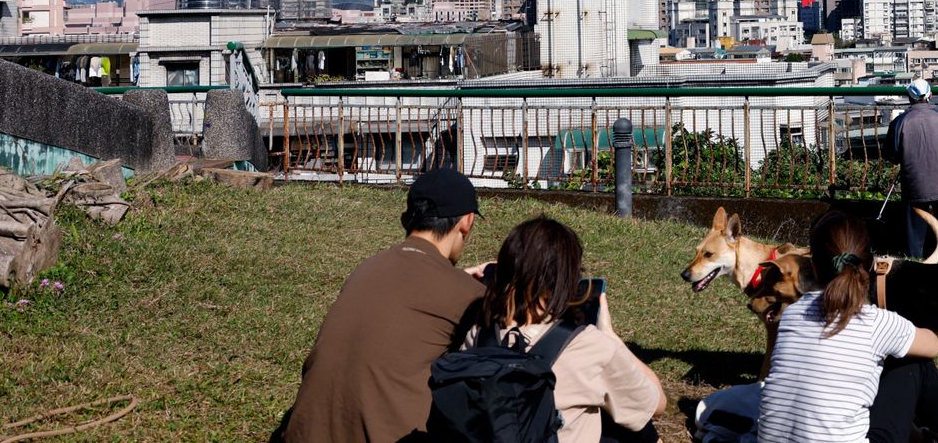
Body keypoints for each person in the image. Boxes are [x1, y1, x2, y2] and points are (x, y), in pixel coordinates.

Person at [280, 168, 491, 443]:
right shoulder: (467, 294)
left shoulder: (368, 268)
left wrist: (459, 277)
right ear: (467, 221)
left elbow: (415, 290)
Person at [758, 210, 938, 443]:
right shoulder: (877, 323)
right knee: (915, 360)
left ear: (814, 267)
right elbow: (935, 346)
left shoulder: (792, 315)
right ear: (870, 265)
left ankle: (921, 438)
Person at [459, 215, 666, 443]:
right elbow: (654, 404)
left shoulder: (478, 334)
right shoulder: (590, 346)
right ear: (568, 280)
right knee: (641, 432)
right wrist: (610, 336)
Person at [888, 79, 938, 260]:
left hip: (914, 185)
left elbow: (892, 155)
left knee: (914, 237)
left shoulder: (900, 122)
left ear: (909, 98)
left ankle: (914, 262)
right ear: (930, 96)